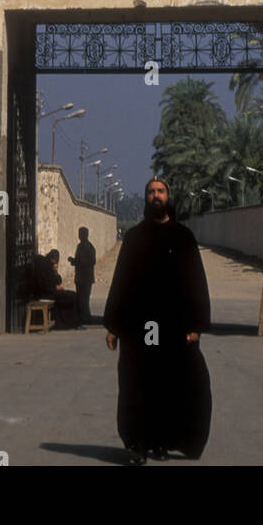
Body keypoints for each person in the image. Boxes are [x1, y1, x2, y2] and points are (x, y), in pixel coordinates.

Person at [104, 177, 212, 464]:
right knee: (136, 384)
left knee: (169, 386)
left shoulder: (183, 237)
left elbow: (196, 282)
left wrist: (195, 325)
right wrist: (113, 325)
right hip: (138, 326)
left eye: (160, 191)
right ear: (146, 197)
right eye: (151, 191)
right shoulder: (134, 237)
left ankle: (162, 441)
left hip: (173, 326)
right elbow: (122, 280)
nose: (155, 195)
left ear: (168, 196)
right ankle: (137, 443)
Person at [33, 249, 80, 330]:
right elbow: (45, 284)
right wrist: (55, 287)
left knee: (71, 295)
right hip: (45, 293)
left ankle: (68, 322)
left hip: (50, 291)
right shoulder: (44, 266)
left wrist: (55, 271)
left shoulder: (49, 265)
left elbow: (58, 280)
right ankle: (67, 323)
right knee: (71, 296)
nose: (54, 261)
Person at [68, 227, 96, 323]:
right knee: (80, 298)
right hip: (79, 277)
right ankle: (83, 316)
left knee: (84, 298)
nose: (80, 236)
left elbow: (92, 261)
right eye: (79, 234)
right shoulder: (79, 246)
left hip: (86, 277)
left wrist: (78, 261)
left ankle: (85, 317)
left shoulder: (89, 247)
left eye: (81, 234)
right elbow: (77, 260)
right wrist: (73, 260)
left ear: (86, 235)